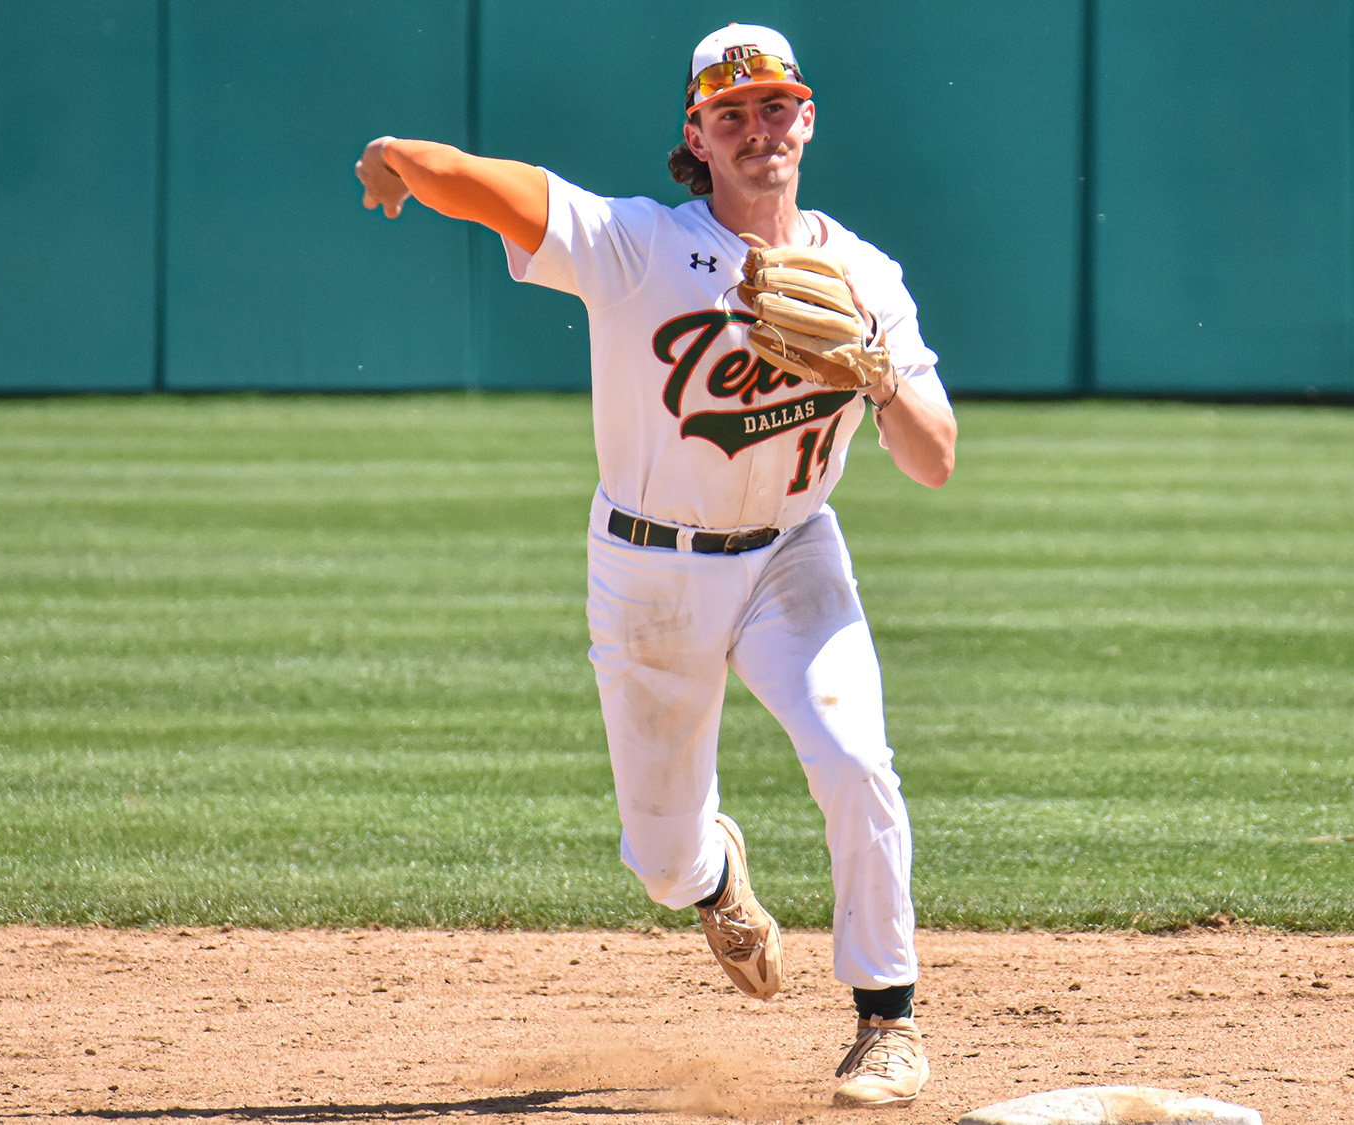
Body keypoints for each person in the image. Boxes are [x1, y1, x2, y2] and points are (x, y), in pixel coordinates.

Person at [354, 23, 956, 1108]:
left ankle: (887, 1019)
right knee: (662, 860)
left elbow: (934, 461)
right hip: (646, 570)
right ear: (698, 134)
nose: (757, 127)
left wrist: (873, 370)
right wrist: (398, 155)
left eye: (774, 105)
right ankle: (717, 881)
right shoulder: (633, 245)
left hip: (791, 554)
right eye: (731, 113)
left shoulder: (863, 275)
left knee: (853, 756)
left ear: (806, 117)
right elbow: (502, 192)